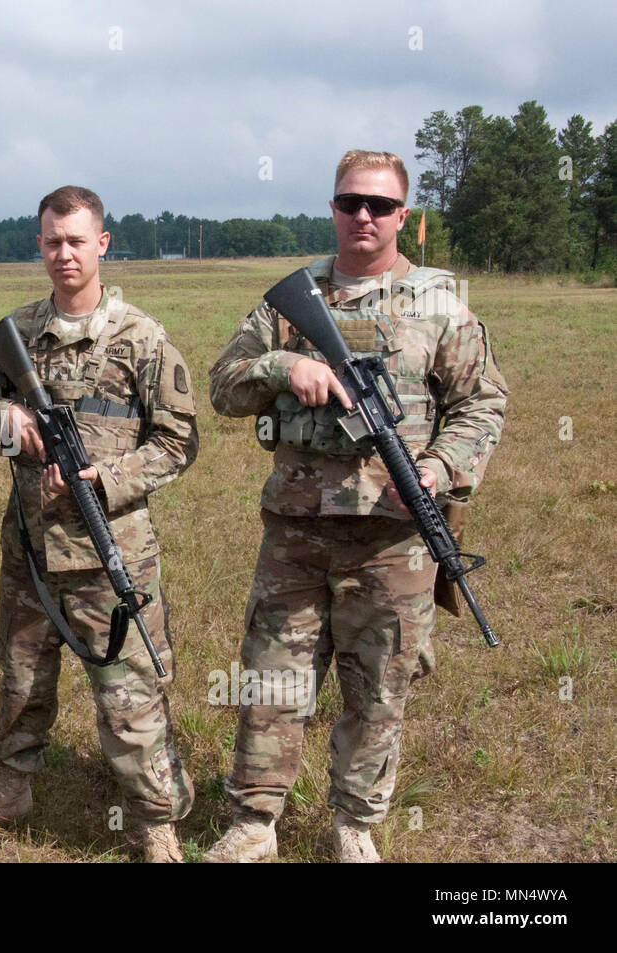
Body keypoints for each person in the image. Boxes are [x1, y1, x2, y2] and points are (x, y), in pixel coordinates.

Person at [205, 151, 508, 862]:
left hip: (393, 536)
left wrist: (437, 466)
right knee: (272, 675)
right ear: (333, 209)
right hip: (297, 532)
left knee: (380, 682)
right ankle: (254, 821)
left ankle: (355, 822)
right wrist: (289, 366)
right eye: (349, 203)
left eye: (378, 205)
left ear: (406, 216)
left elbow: (481, 404)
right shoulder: (291, 300)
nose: (362, 216)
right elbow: (223, 385)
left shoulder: (438, 304)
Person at [0, 186, 199, 862]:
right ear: (40, 244)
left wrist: (108, 480)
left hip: (111, 548)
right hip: (29, 549)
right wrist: (5, 421)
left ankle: (153, 819)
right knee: (20, 681)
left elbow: (178, 442)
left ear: (102, 245)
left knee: (130, 691)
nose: (64, 253)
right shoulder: (15, 334)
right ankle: (9, 790)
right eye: (53, 241)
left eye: (77, 241)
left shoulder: (141, 338)